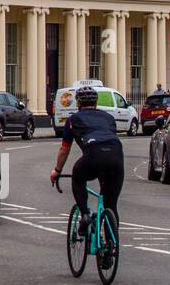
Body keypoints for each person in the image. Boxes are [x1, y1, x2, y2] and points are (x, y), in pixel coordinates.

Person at [49, 85, 124, 237]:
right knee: (111, 205)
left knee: (78, 177)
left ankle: (84, 215)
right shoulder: (108, 117)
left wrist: (57, 170)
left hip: (93, 155)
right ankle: (111, 249)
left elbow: (65, 149)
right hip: (116, 156)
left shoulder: (73, 119)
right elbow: (108, 138)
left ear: (77, 103)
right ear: (96, 103)